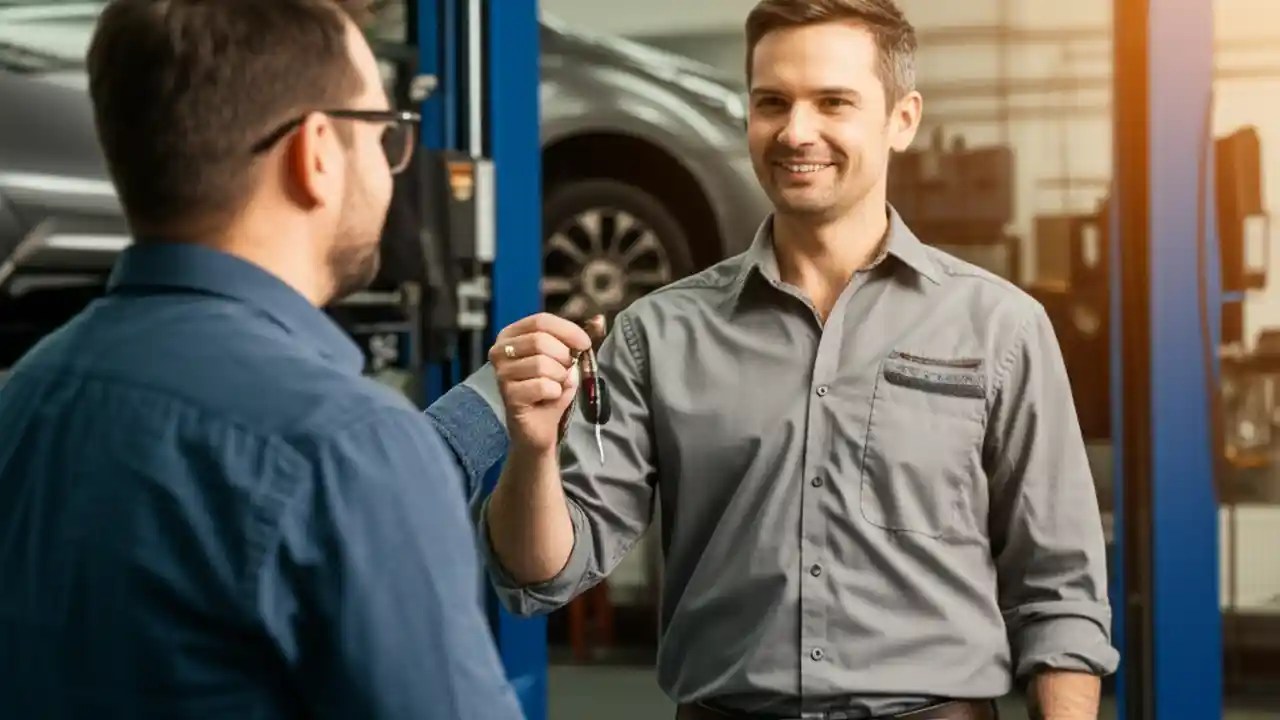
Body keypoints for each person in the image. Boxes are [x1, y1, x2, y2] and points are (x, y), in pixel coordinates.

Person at [467, 1, 1120, 718]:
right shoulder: (658, 334)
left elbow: (1059, 594)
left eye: (832, 102)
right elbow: (541, 574)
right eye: (771, 102)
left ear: (902, 118)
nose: (796, 131)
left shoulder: (999, 329)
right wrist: (531, 449)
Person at [0, 1, 523, 718]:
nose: (392, 164)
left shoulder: (28, 397)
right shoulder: (349, 445)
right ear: (314, 154)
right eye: (383, 132)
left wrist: (486, 406)